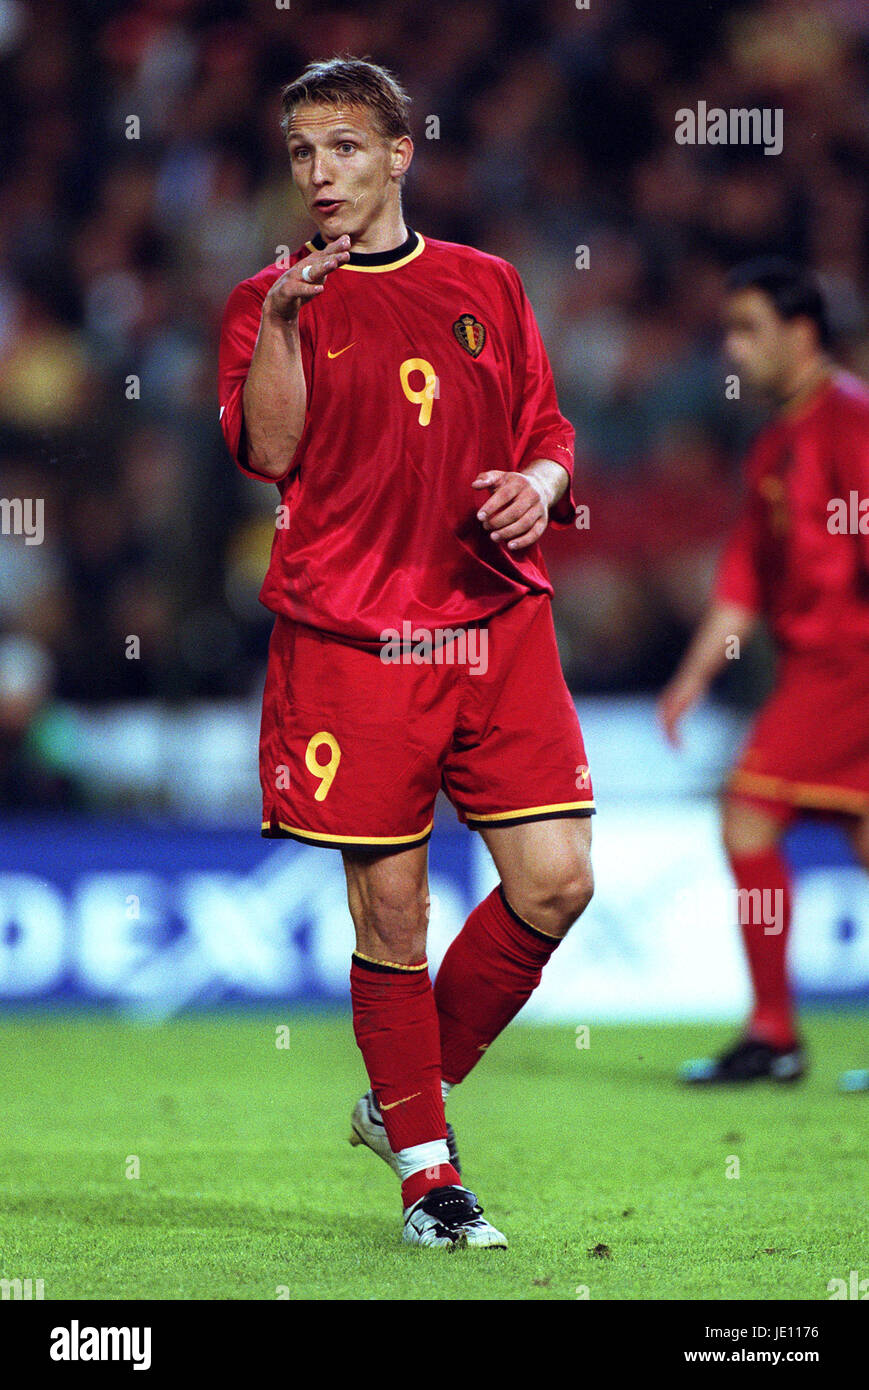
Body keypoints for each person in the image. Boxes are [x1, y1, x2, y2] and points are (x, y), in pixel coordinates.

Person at [218, 58, 595, 1247]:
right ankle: (429, 1180)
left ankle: (398, 1102)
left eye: (340, 147)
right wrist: (282, 322)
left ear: (397, 153)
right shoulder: (265, 301)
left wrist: (537, 487)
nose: (318, 174)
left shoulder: (486, 283)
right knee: (393, 912)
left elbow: (547, 430)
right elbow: (269, 453)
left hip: (494, 623)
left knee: (557, 881)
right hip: (351, 640)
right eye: (299, 153)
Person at [658, 257, 869, 1084]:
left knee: (747, 812)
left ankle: (774, 1031)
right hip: (817, 668)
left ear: (800, 332)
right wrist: (690, 679)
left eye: (748, 329)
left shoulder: (849, 425)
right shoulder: (777, 442)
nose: (733, 349)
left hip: (849, 666)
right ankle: (773, 1032)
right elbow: (743, 577)